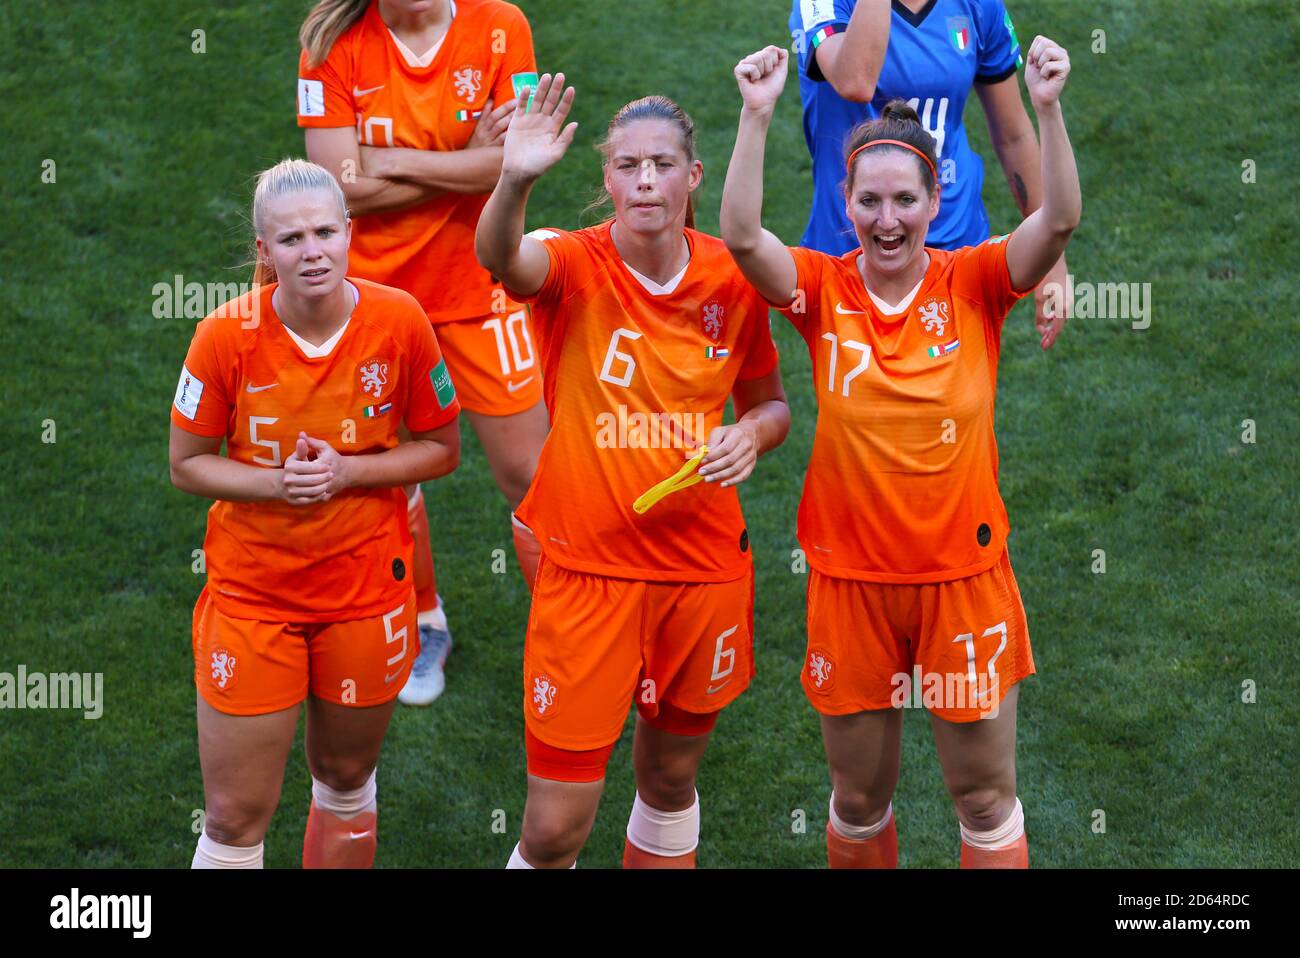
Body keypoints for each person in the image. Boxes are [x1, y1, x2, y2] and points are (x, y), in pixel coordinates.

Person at [720, 39, 1078, 867]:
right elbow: (741, 237)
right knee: (855, 800)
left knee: (985, 800)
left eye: (904, 201)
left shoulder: (977, 281)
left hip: (962, 581)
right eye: (869, 201)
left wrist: (1048, 109)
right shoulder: (822, 289)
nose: (887, 220)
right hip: (851, 584)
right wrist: (755, 113)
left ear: (935, 196)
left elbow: (1056, 221)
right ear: (845, 201)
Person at [476, 74, 791, 868]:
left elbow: (772, 404)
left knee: (671, 779)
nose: (643, 179)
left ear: (694, 177)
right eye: (625, 165)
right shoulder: (571, 265)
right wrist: (513, 176)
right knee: (551, 830)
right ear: (607, 180)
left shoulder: (734, 278)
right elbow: (502, 261)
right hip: (588, 572)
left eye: (660, 164)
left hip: (703, 570)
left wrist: (751, 435)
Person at [169, 159, 461, 868]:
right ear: (264, 251)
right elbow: (186, 464)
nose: (313, 252)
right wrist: (279, 485)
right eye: (292, 239)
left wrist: (348, 471)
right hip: (251, 598)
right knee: (235, 815)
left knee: (345, 778)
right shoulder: (222, 336)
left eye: (326, 232)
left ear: (350, 233)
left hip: (364, 596)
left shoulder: (400, 321)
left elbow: (441, 448)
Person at [297, 0, 547, 705]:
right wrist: (470, 158)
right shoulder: (332, 40)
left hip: (482, 282)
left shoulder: (503, 25)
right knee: (389, 471)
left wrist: (395, 163)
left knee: (533, 473)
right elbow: (337, 188)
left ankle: (573, 631)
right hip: (374, 300)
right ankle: (423, 619)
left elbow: (519, 164)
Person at [789, 0, 1070, 349]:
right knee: (863, 400)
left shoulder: (979, 6)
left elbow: (1013, 136)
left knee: (957, 399)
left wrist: (1052, 255)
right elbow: (857, 79)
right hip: (853, 258)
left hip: (956, 251)